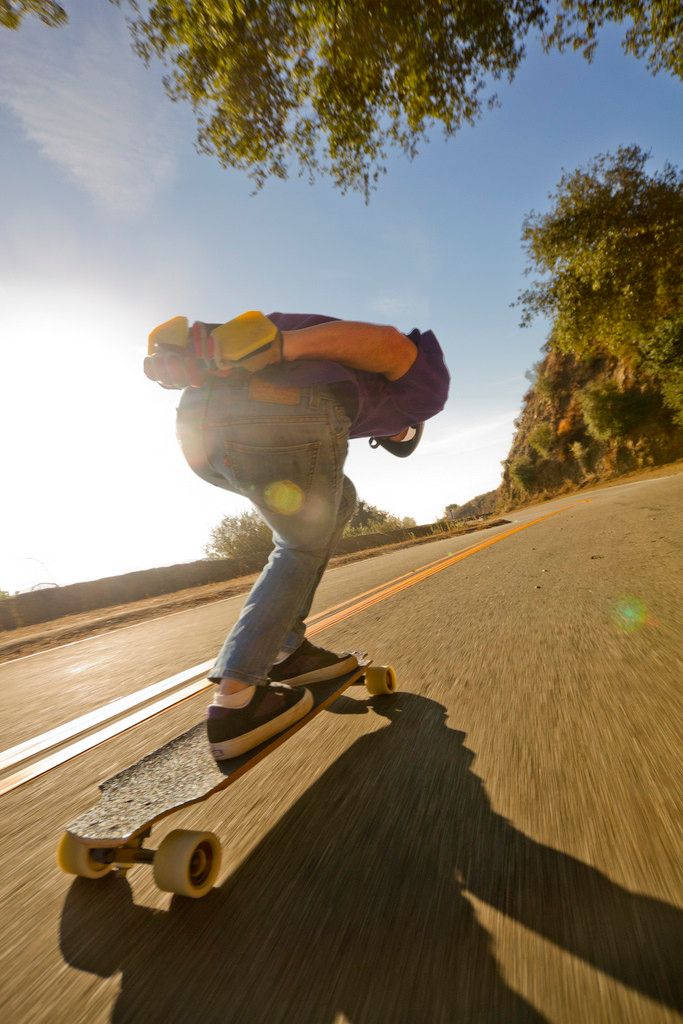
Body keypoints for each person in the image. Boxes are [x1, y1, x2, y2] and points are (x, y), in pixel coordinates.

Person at [144, 312, 449, 759]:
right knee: (301, 541)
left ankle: (286, 651)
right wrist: (282, 347)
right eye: (396, 435)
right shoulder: (424, 396)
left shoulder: (354, 388)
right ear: (408, 429)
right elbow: (388, 344)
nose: (387, 435)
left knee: (337, 499)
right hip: (275, 409)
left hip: (200, 434)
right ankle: (236, 701)